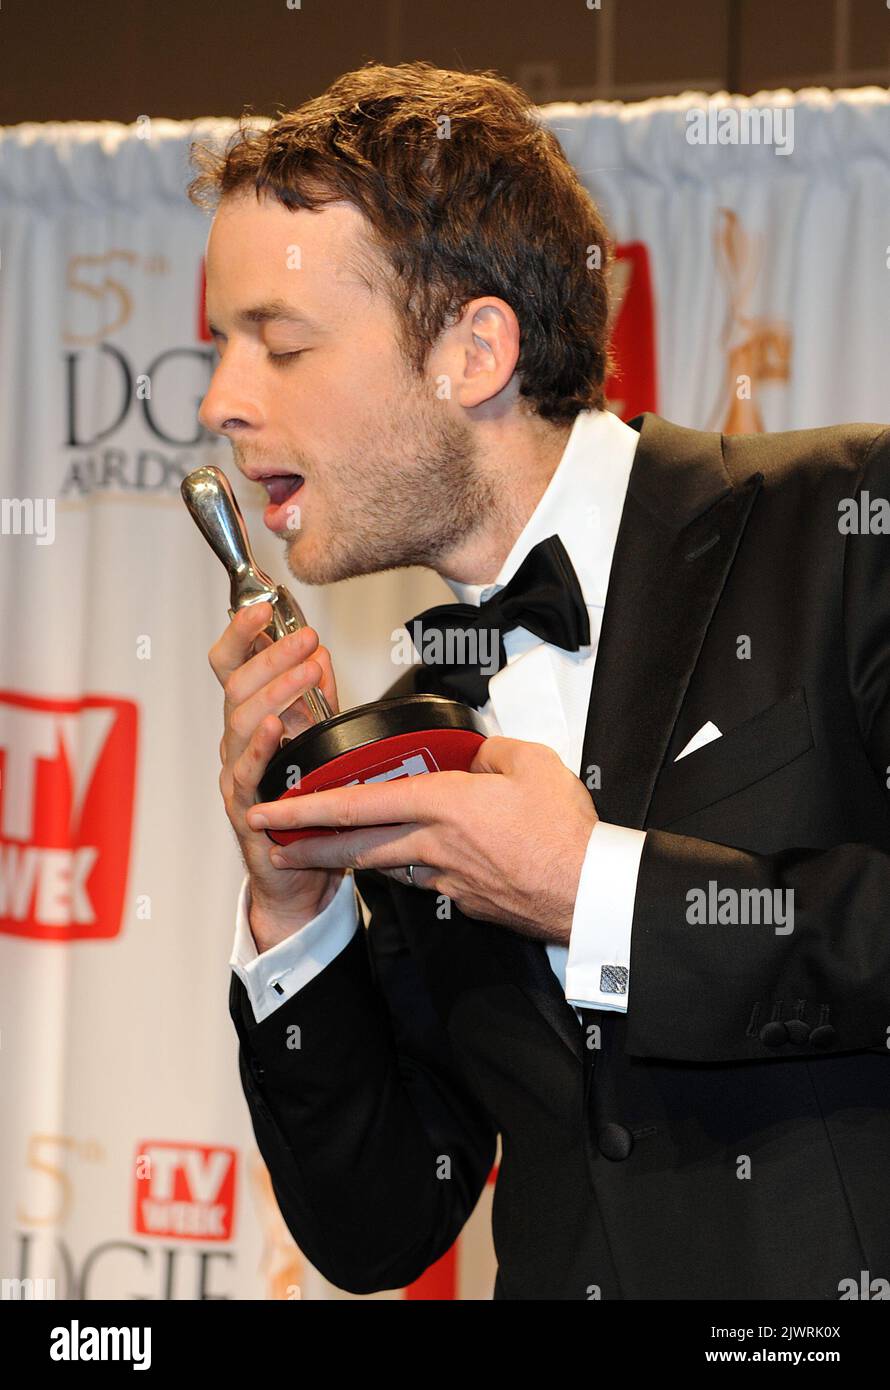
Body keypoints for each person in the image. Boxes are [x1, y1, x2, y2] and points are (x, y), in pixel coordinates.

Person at [190, 61, 890, 1300]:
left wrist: (589, 889)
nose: (220, 405)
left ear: (473, 349)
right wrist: (295, 912)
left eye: (280, 345)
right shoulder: (421, 717)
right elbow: (380, 1224)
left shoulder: (842, 521)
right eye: (219, 349)